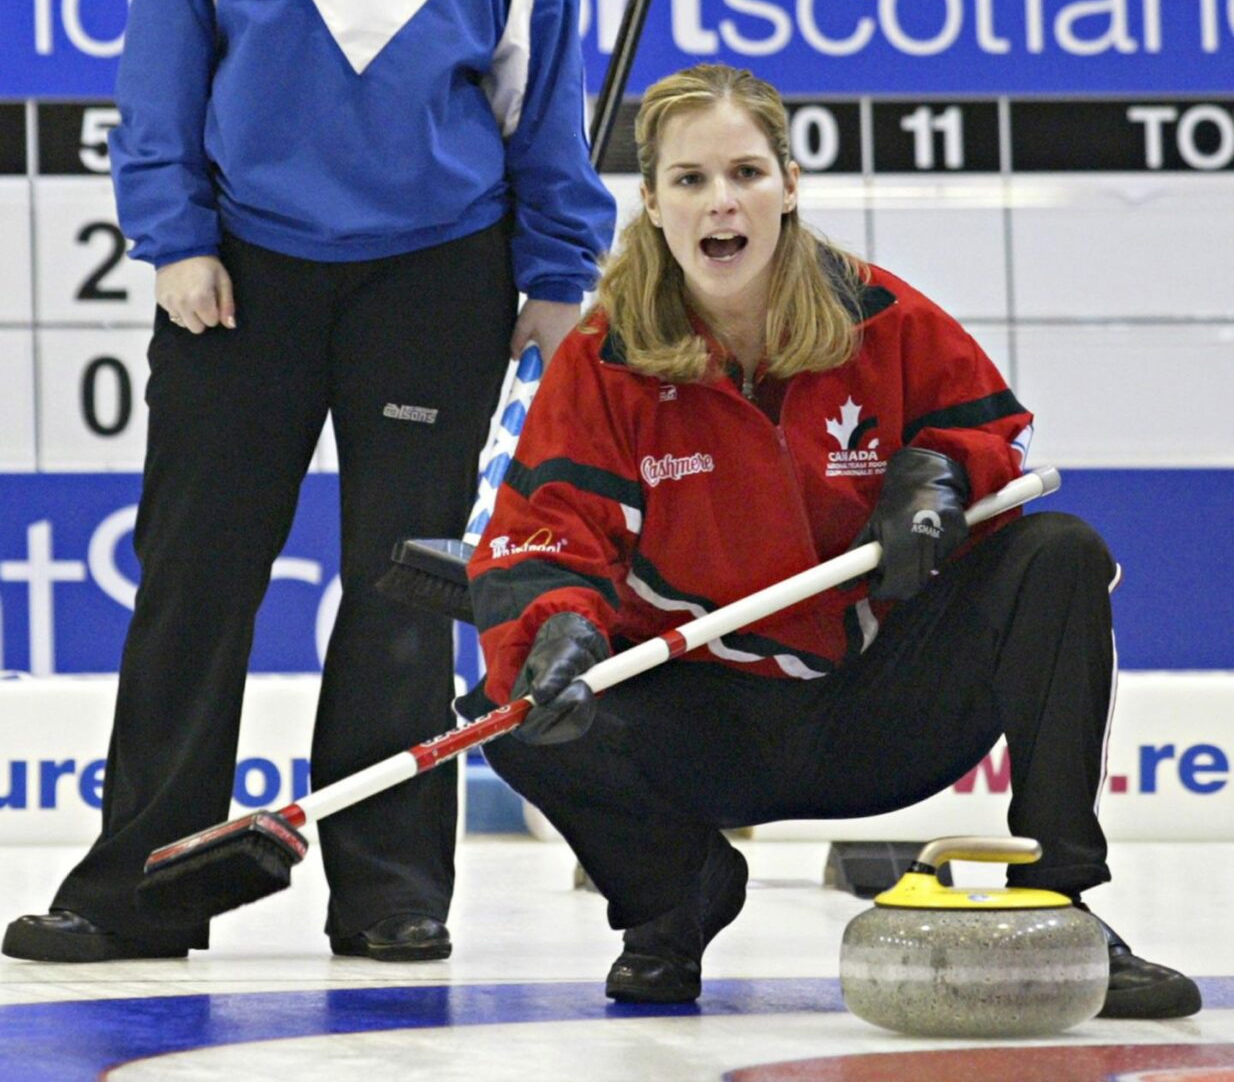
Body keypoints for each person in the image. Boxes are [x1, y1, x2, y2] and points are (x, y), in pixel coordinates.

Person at [3, 0, 613, 964]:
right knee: (194, 582)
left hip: (439, 281)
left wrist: (558, 267)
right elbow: (163, 67)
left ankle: (392, 887)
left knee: (405, 597)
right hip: (243, 281)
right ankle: (133, 890)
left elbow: (542, 99)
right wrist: (176, 239)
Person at [458, 62, 1200, 1019]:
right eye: (690, 180)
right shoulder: (607, 357)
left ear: (789, 185)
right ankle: (672, 895)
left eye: (746, 174)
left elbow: (995, 436)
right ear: (650, 201)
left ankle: (1059, 903)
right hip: (708, 727)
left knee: (1057, 551)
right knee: (517, 706)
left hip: (879, 709)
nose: (721, 202)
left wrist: (937, 480)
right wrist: (558, 632)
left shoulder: (877, 313)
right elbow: (546, 535)